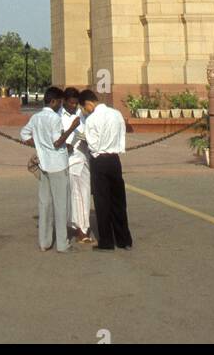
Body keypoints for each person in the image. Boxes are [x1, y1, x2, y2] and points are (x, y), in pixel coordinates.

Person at [20, 86, 80, 253]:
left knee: (44, 203)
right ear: (53, 101)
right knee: (61, 205)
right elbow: (56, 143)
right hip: (58, 165)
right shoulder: (54, 118)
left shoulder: (36, 117)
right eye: (59, 102)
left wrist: (39, 145)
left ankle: (44, 242)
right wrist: (72, 128)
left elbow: (24, 135)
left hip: (44, 165)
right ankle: (62, 243)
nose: (61, 105)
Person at [80, 89, 133, 251]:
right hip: (115, 159)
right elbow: (122, 135)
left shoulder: (92, 119)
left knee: (102, 202)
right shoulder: (116, 114)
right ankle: (124, 240)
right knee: (118, 201)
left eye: (84, 108)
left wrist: (87, 141)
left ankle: (107, 241)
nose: (85, 111)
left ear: (88, 104)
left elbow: (94, 145)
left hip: (99, 160)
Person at [60, 87, 93, 244]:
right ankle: (81, 230)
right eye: (71, 103)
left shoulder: (82, 114)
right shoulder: (59, 116)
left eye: (75, 103)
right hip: (70, 160)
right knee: (75, 196)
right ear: (64, 101)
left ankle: (82, 226)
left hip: (84, 157)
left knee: (85, 194)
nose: (73, 106)